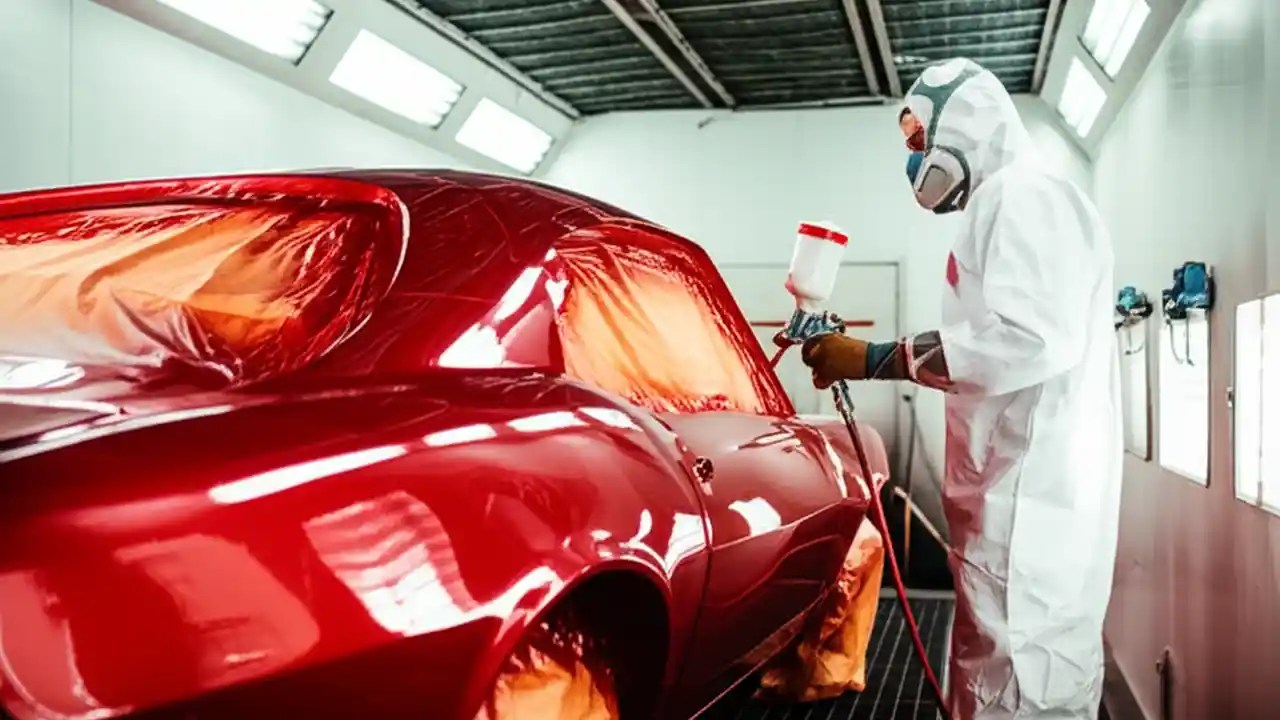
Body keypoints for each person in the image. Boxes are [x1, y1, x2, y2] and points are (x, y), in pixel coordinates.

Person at [797, 58, 1123, 719]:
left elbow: (1026, 340)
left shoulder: (1022, 195)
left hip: (1028, 515)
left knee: (1018, 689)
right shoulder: (1011, 201)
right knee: (1010, 675)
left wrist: (876, 356)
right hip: (1020, 510)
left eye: (919, 138)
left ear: (965, 120)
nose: (914, 158)